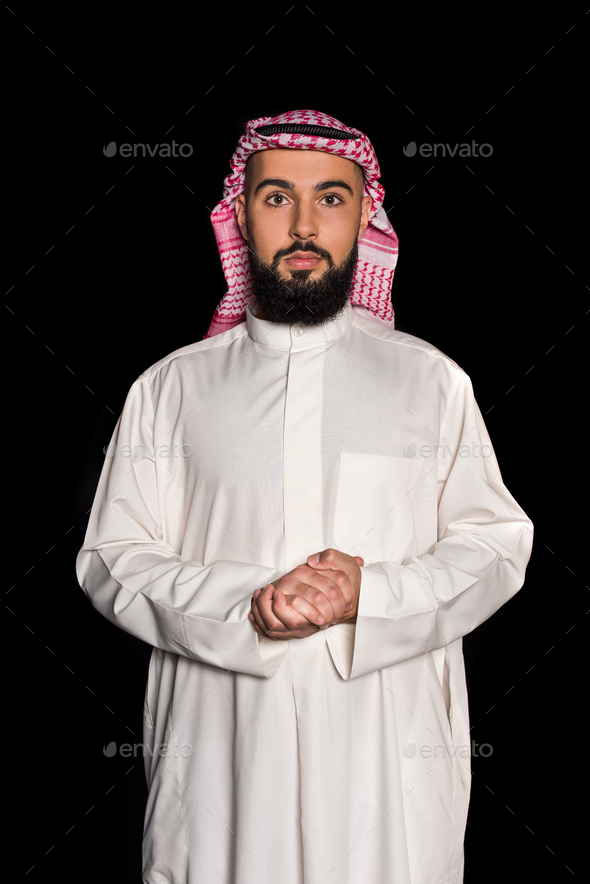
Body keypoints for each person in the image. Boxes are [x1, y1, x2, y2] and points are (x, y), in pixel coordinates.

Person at [76, 109, 534, 884]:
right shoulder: (170, 389)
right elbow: (112, 559)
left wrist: (373, 592)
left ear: (364, 216)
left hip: (384, 778)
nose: (303, 224)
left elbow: (493, 546)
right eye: (275, 197)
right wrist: (243, 603)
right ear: (241, 213)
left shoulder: (430, 381)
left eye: (330, 198)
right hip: (223, 766)